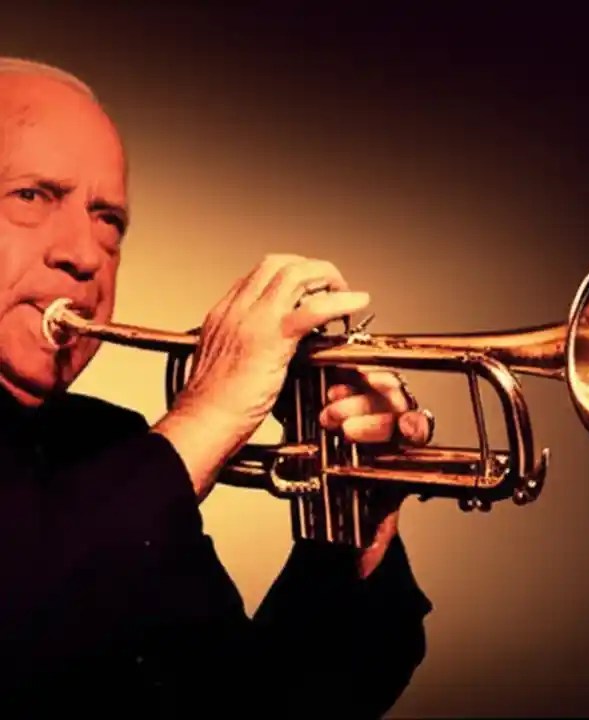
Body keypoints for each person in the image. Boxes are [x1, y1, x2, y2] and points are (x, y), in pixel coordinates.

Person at [0, 59, 432, 715]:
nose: (86, 255)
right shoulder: (150, 466)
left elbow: (257, 706)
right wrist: (210, 413)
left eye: (108, 218)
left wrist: (354, 527)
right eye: (32, 196)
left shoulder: (109, 442)